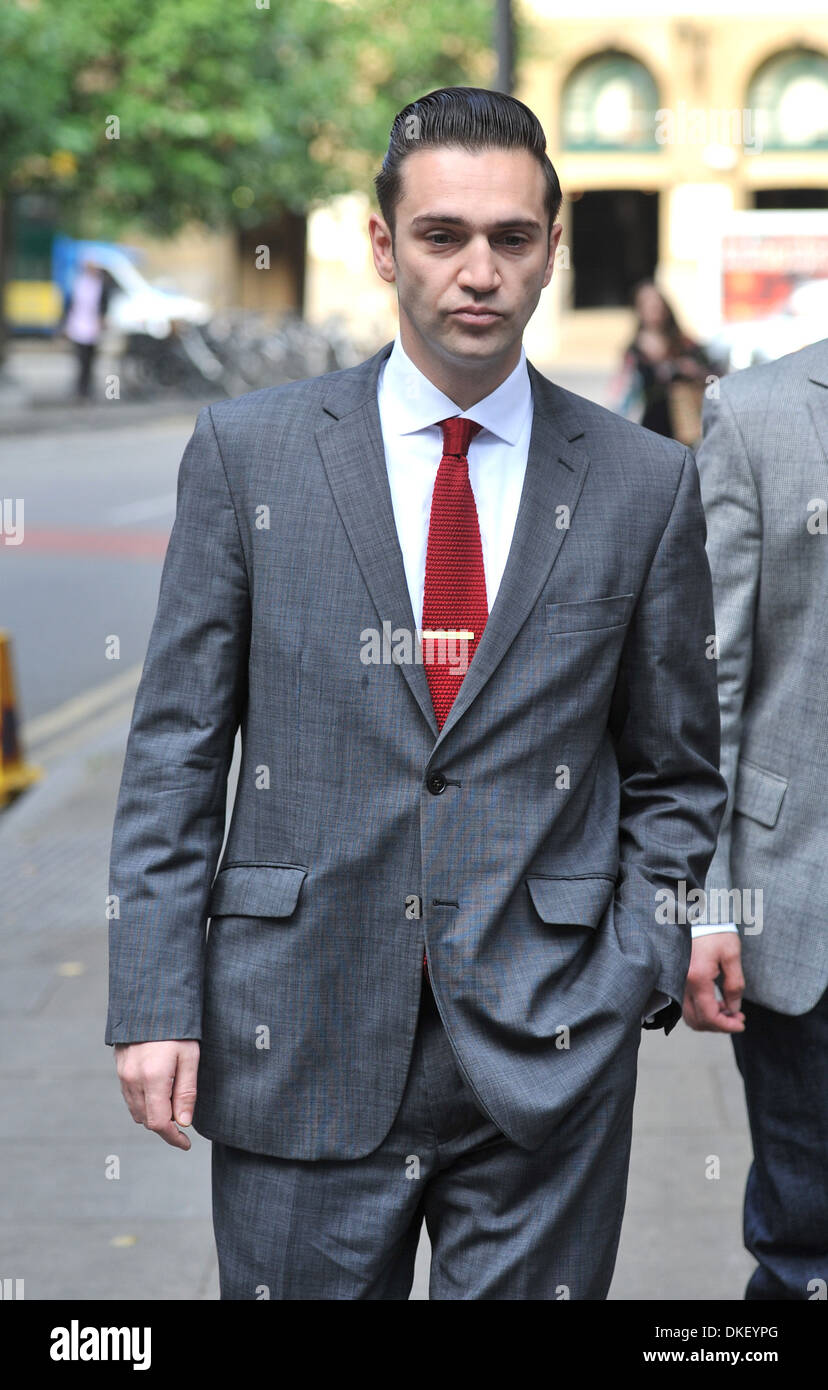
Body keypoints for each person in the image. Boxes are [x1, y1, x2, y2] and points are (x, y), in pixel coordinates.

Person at [106, 86, 727, 1301]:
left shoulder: (645, 485)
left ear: (552, 247)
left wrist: (629, 972)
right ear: (384, 245)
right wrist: (152, 998)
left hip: (548, 1053)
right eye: (443, 236)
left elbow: (676, 771)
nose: (478, 270)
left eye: (510, 237)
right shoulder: (250, 454)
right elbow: (176, 749)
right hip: (298, 1029)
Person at [684, 337, 828, 1301]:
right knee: (805, 1240)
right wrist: (708, 903)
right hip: (803, 900)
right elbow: (710, 686)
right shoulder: (759, 413)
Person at [610, 280, 717, 445]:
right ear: (639, 310)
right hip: (651, 432)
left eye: (657, 302)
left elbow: (715, 377)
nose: (654, 308)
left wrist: (694, 372)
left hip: (688, 429)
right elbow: (623, 394)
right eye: (647, 303)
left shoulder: (685, 344)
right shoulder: (635, 352)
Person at [62, 257, 110, 400]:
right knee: (81, 360)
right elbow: (71, 305)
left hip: (93, 327)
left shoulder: (100, 285)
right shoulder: (79, 283)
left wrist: (102, 319)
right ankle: (81, 390)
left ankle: (87, 389)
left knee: (90, 360)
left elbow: (103, 305)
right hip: (78, 325)